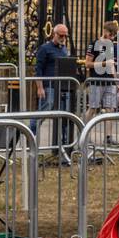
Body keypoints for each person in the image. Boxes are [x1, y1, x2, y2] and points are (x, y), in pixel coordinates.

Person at [30, 23, 72, 163]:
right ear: (54, 34)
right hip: (48, 87)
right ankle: (31, 137)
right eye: (61, 35)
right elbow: (38, 69)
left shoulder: (64, 49)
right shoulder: (45, 48)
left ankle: (62, 147)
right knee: (42, 113)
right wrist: (39, 87)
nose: (63, 38)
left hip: (62, 87)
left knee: (63, 117)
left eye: (65, 35)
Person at [84, 20, 119, 127]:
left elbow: (112, 66)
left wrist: (116, 82)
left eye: (114, 35)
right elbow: (88, 63)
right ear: (105, 31)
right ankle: (83, 132)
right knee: (93, 108)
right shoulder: (95, 43)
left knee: (110, 110)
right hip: (96, 81)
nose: (112, 37)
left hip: (109, 81)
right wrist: (104, 63)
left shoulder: (111, 46)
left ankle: (108, 137)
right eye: (111, 34)